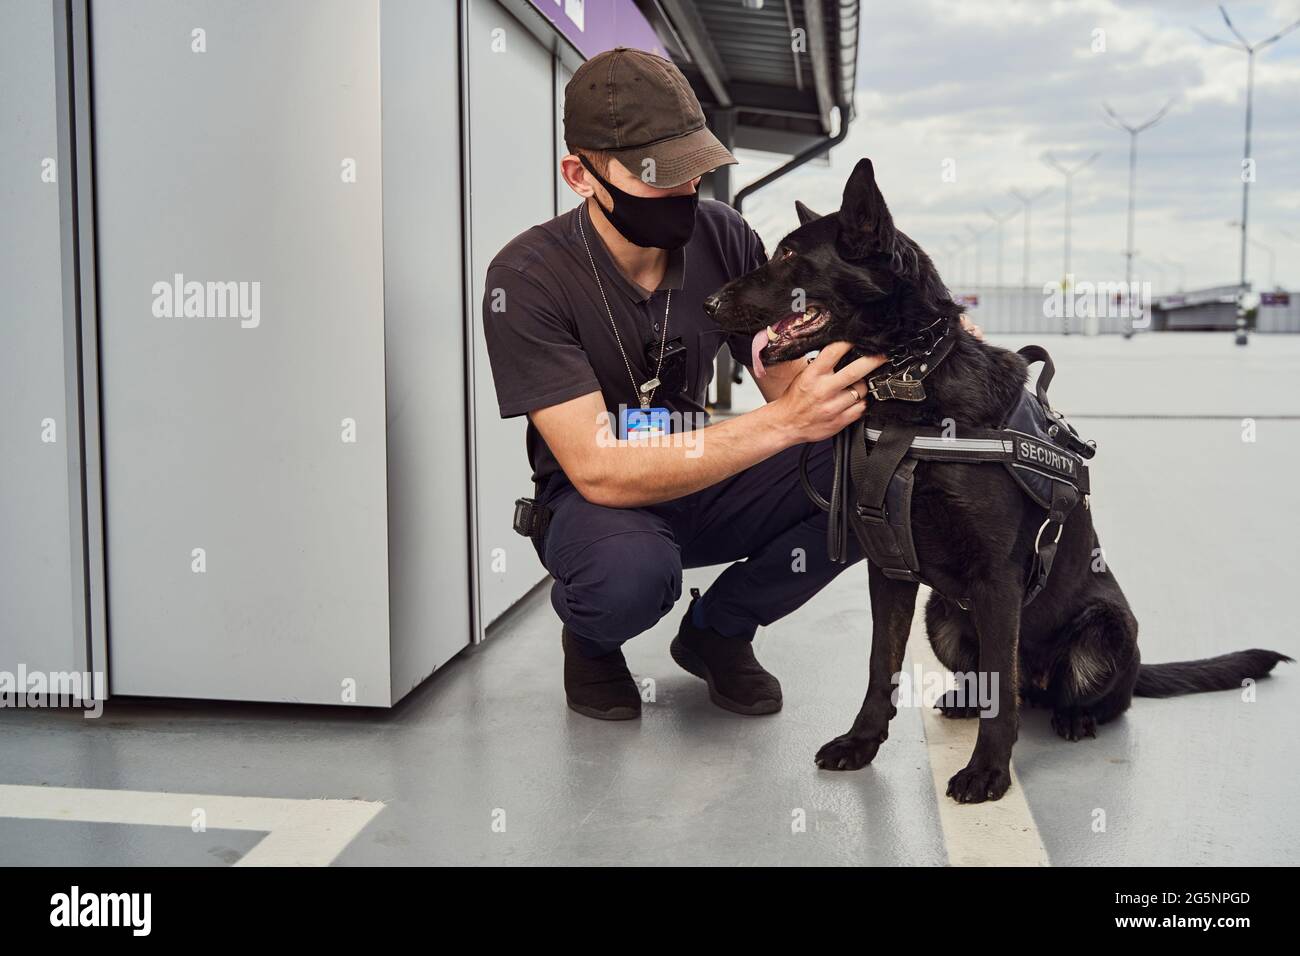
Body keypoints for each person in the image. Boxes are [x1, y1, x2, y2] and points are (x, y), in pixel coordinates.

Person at [483, 47, 972, 721]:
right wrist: (784, 423)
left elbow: (793, 384)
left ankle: (719, 630)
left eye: (693, 168)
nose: (687, 190)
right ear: (580, 175)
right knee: (626, 581)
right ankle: (592, 643)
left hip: (704, 465)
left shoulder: (720, 235)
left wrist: (929, 337)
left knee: (875, 476)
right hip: (596, 501)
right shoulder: (527, 278)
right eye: (659, 175)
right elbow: (597, 469)